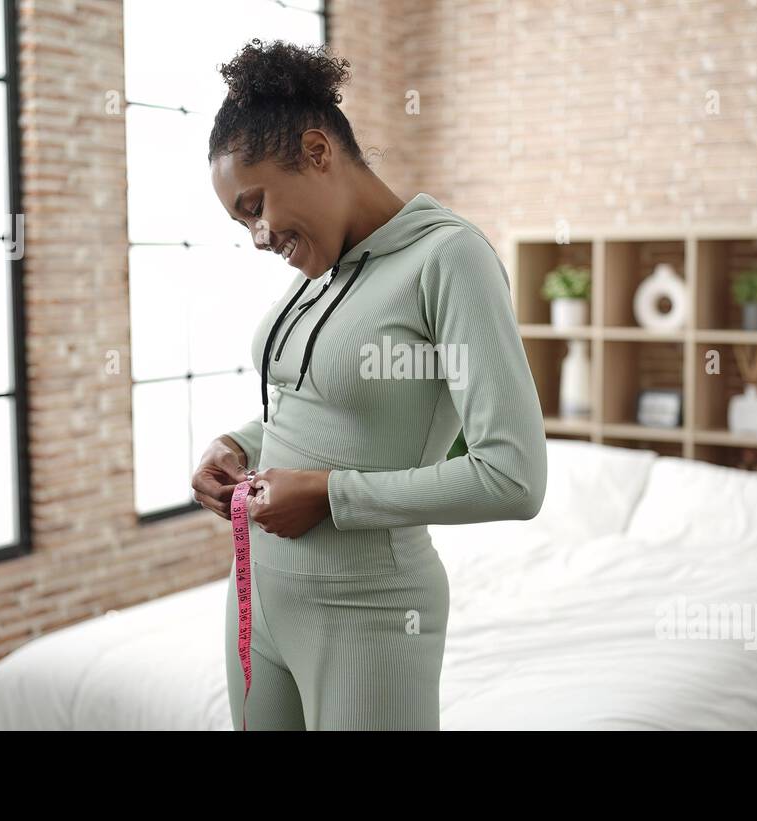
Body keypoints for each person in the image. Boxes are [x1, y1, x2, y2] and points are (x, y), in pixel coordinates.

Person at [191, 38, 546, 730]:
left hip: (370, 612)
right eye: (242, 222)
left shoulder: (449, 259)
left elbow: (514, 474)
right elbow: (321, 406)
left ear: (318, 151)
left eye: (256, 206)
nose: (259, 237)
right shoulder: (321, 274)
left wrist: (329, 494)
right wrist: (232, 443)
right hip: (256, 601)